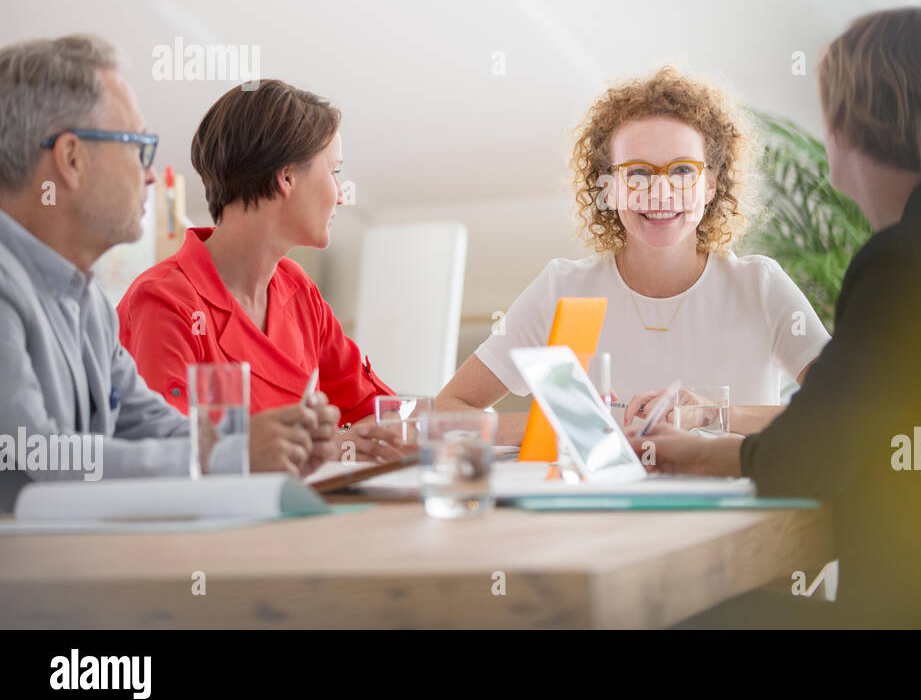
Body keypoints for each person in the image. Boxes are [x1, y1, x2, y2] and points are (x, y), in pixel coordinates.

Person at [636, 9, 921, 627]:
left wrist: (693, 451)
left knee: (664, 613)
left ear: (845, 125)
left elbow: (811, 455)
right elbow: (836, 426)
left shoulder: (905, 263)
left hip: (915, 609)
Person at [0, 35, 338, 512]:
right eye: (138, 147)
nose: (152, 174)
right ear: (72, 159)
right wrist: (231, 454)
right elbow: (37, 457)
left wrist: (276, 440)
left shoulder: (86, 302)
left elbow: (155, 425)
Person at [435, 67, 830, 445]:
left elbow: (846, 410)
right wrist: (560, 424)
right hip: (601, 511)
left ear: (710, 184)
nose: (660, 193)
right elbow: (448, 410)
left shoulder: (758, 285)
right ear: (609, 187)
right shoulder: (563, 288)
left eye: (681, 171)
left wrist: (715, 415)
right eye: (638, 173)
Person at [117, 80, 403, 463]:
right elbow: (170, 459)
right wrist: (325, 447)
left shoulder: (296, 288)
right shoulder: (164, 302)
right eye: (334, 172)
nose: (341, 193)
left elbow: (376, 412)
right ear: (286, 178)